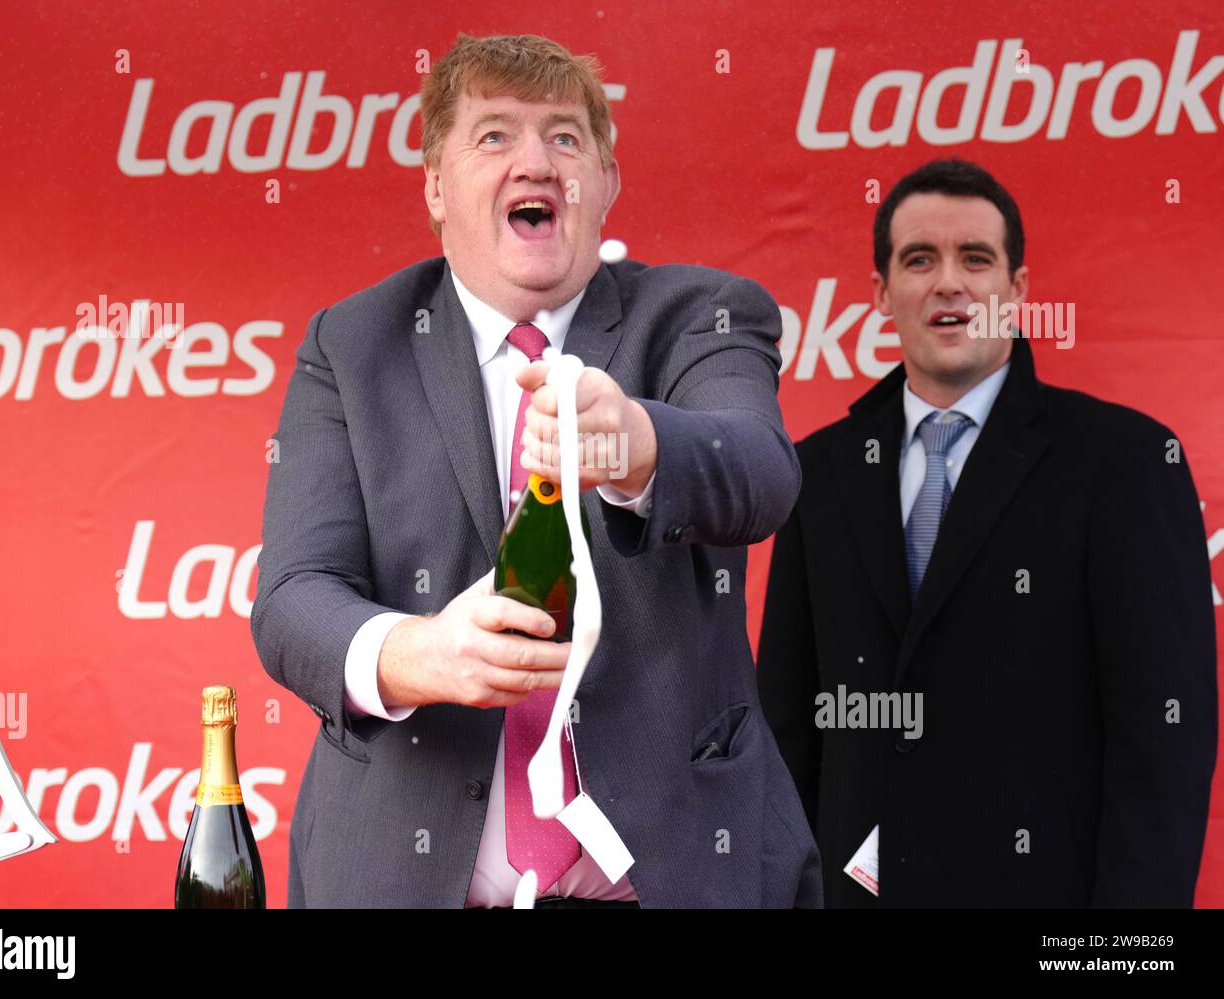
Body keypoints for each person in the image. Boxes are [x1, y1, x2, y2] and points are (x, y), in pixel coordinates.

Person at [251, 33, 821, 909]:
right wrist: (417, 653)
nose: (537, 162)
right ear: (436, 188)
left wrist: (637, 443)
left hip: (668, 879)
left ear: (607, 182)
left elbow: (759, 473)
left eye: (565, 138)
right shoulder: (351, 345)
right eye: (493, 136)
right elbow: (294, 597)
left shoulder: (701, 314)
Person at [756, 158, 1217, 908]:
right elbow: (787, 730)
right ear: (880, 294)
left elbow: (1163, 743)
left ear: (1018, 290)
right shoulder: (817, 473)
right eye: (919, 260)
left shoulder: (1126, 461)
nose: (950, 283)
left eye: (976, 258)